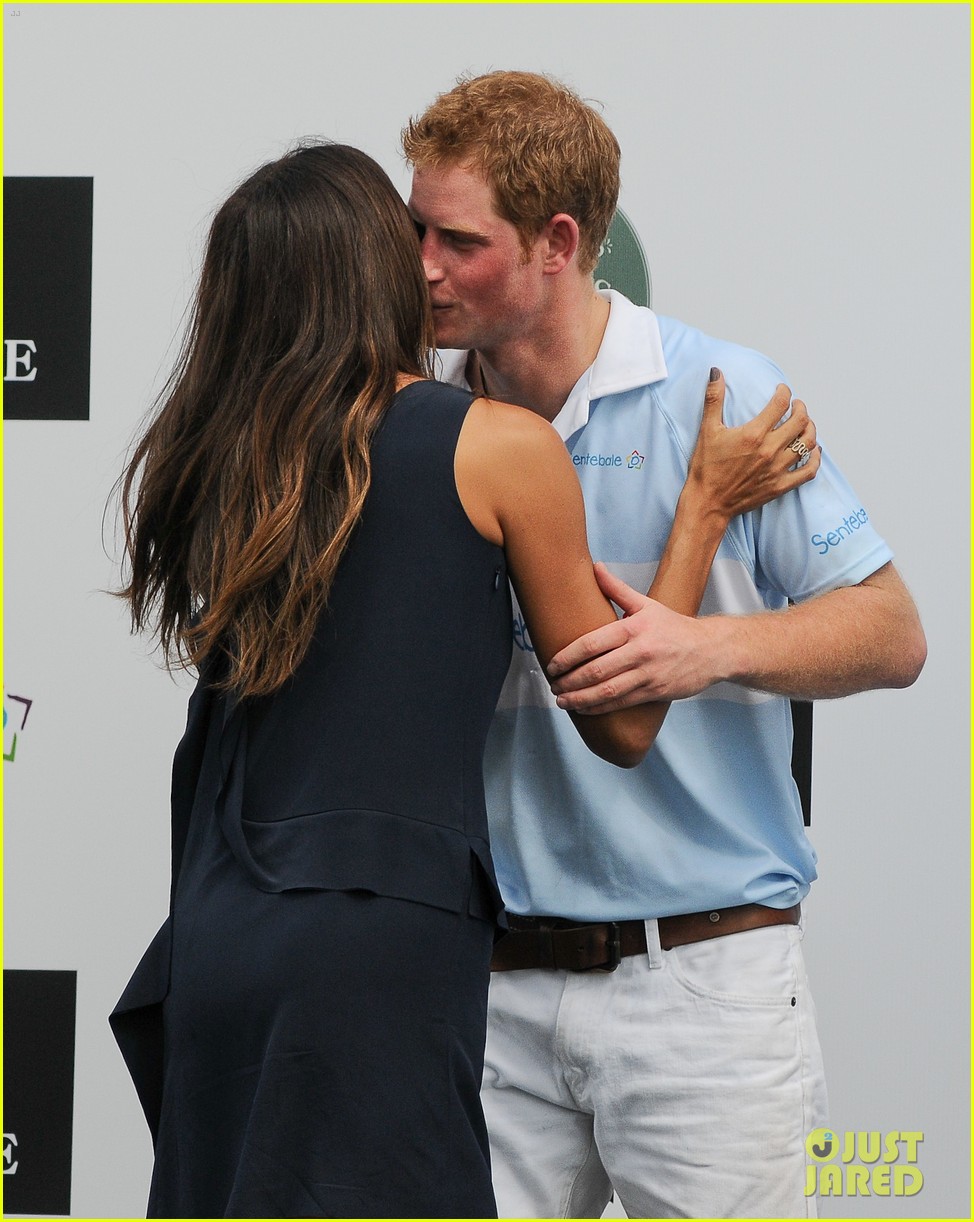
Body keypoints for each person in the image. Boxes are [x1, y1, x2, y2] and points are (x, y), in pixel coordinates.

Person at [107, 143, 813, 1219]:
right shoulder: (494, 447)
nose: (428, 264)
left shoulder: (213, 459)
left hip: (216, 932)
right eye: (407, 239)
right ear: (368, 273)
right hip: (378, 944)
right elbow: (622, 718)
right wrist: (703, 512)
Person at [403, 71, 926, 1220]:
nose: (421, 265)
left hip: (700, 987)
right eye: (413, 229)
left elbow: (890, 634)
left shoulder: (720, 394)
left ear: (557, 242)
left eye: (455, 239)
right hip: (487, 993)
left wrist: (706, 649)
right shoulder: (414, 421)